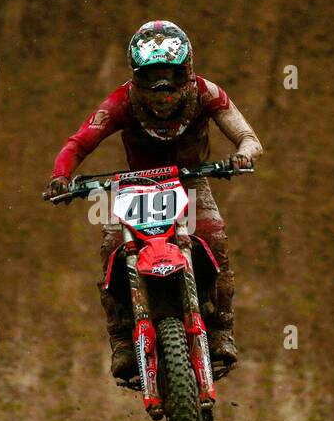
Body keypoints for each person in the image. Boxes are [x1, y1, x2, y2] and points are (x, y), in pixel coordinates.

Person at [43, 20, 263, 380]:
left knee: (213, 238)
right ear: (136, 78)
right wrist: (60, 177)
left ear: (187, 73)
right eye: (151, 79)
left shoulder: (206, 93)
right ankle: (122, 341)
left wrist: (243, 154)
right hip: (137, 188)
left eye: (171, 78)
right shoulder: (121, 101)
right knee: (113, 248)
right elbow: (79, 142)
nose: (162, 92)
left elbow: (248, 135)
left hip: (189, 181)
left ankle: (222, 330)